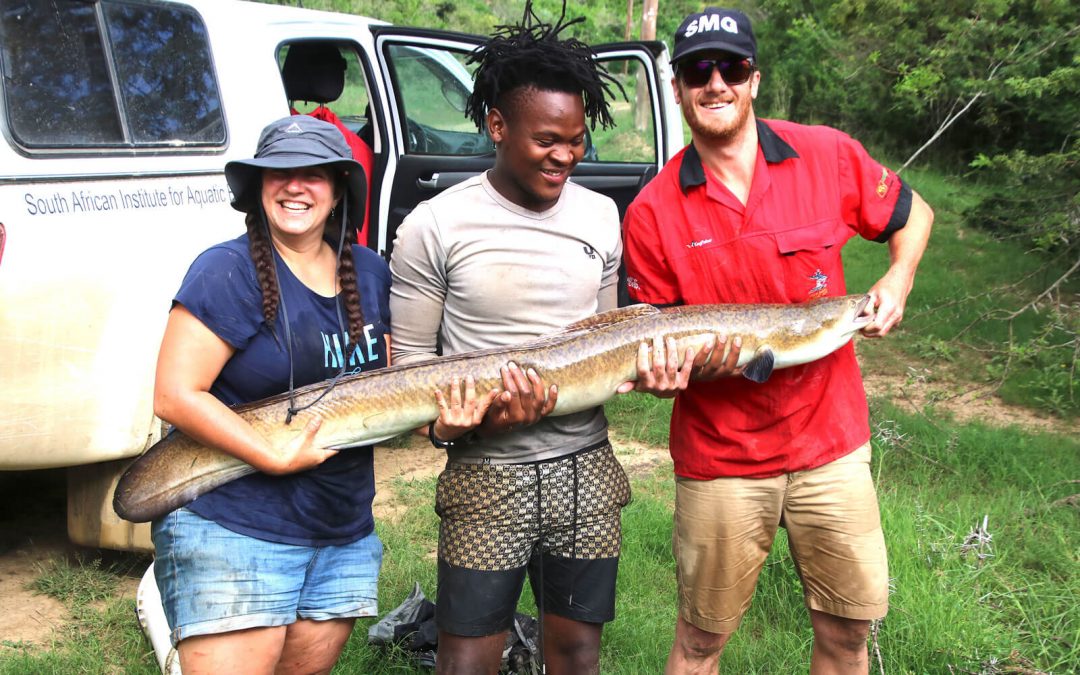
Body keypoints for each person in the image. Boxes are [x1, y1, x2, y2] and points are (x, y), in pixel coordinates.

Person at [621, 8, 934, 674]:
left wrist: (898, 281)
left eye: (730, 68)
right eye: (696, 71)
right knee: (701, 640)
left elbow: (914, 213)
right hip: (721, 457)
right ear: (676, 88)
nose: (715, 84)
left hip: (831, 445)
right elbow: (655, 337)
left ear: (753, 79)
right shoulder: (651, 210)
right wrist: (665, 374)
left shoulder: (827, 154)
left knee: (849, 631)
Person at [388, 3, 629, 673]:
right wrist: (459, 427)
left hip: (587, 465)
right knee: (467, 655)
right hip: (486, 473)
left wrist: (652, 372)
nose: (566, 156)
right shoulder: (434, 227)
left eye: (578, 139)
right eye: (547, 138)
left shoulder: (602, 216)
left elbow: (604, 342)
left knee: (578, 651)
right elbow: (407, 378)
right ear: (497, 125)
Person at [150, 115, 391, 674]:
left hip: (342, 529)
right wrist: (272, 455)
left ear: (339, 191)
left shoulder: (371, 273)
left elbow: (393, 382)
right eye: (278, 173)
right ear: (258, 188)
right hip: (235, 524)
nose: (294, 185)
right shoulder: (226, 270)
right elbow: (175, 394)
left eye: (314, 174)